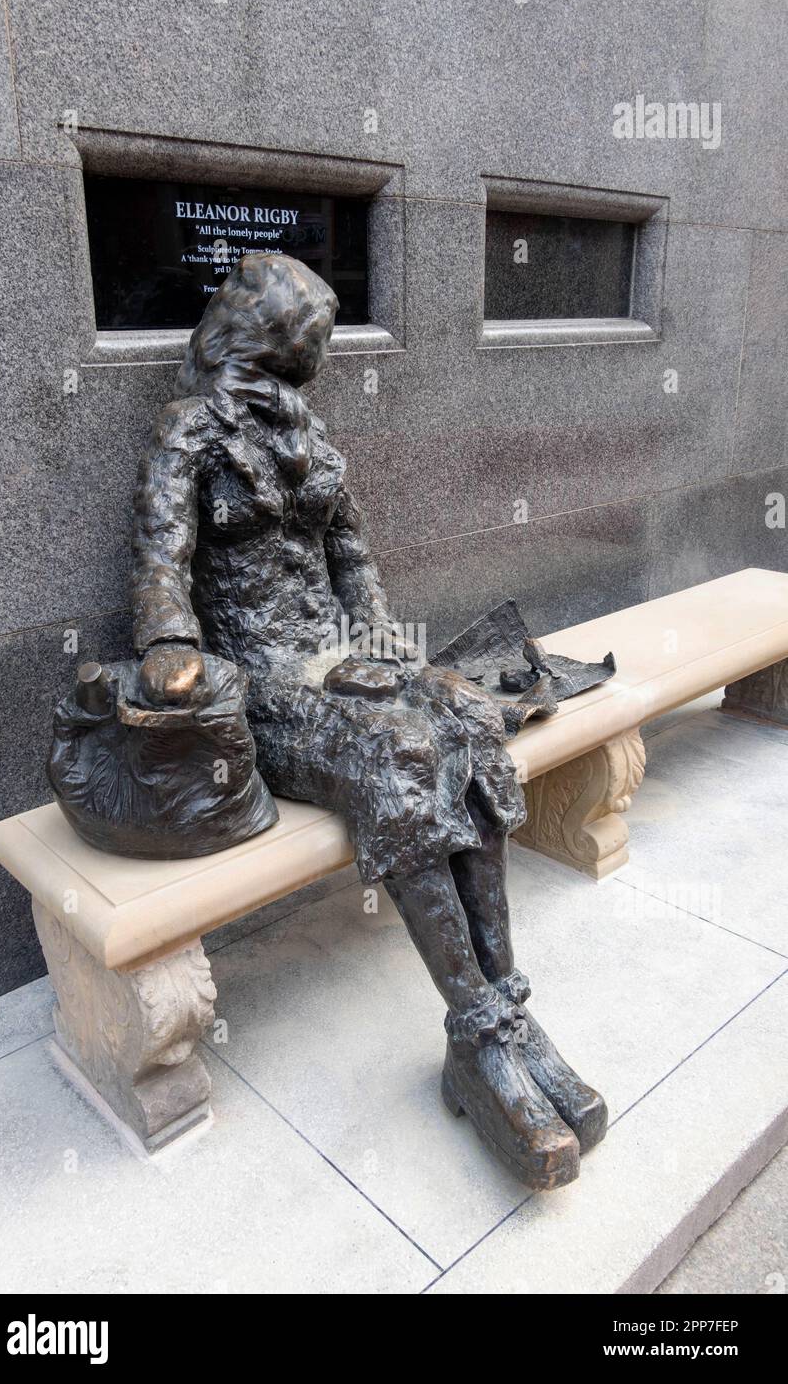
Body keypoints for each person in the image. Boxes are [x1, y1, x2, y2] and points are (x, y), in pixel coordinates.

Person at [131, 253, 606, 1189]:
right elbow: (159, 555)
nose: (318, 346)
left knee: (465, 720)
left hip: (339, 661)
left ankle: (503, 1013)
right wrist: (167, 645)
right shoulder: (190, 433)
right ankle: (478, 1039)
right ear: (259, 329)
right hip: (259, 678)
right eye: (306, 328)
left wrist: (385, 644)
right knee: (399, 749)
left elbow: (351, 554)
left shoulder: (309, 435)